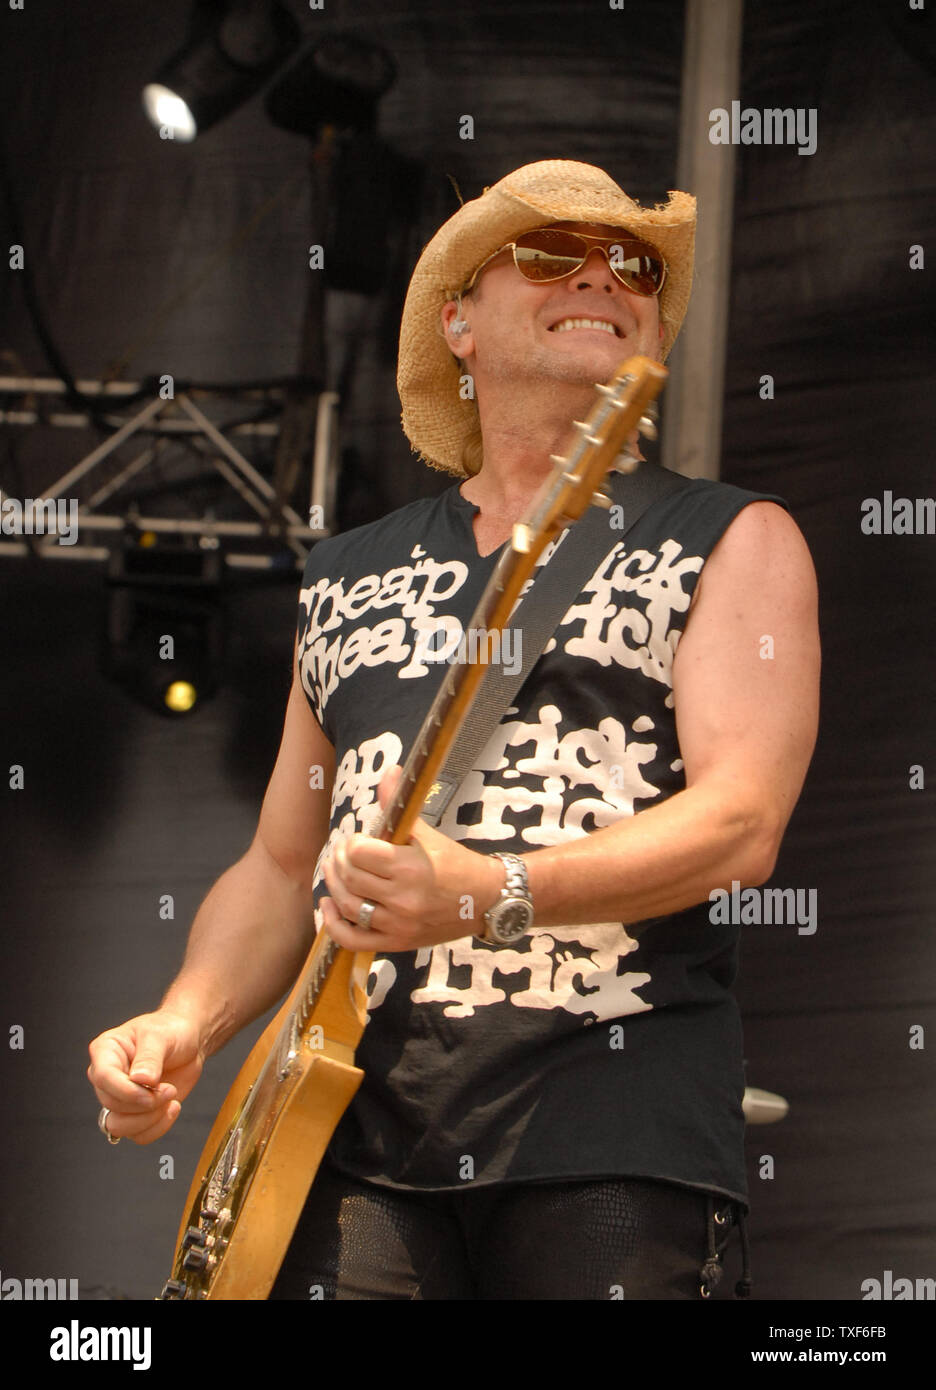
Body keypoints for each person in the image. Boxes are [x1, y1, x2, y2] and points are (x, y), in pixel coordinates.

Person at [87, 160, 820, 1301]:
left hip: (609, 1132)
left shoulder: (730, 537)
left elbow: (741, 824)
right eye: (547, 252)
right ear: (458, 323)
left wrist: (487, 890)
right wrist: (187, 1020)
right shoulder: (345, 573)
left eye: (629, 263)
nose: (600, 275)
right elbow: (284, 864)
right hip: (347, 1147)